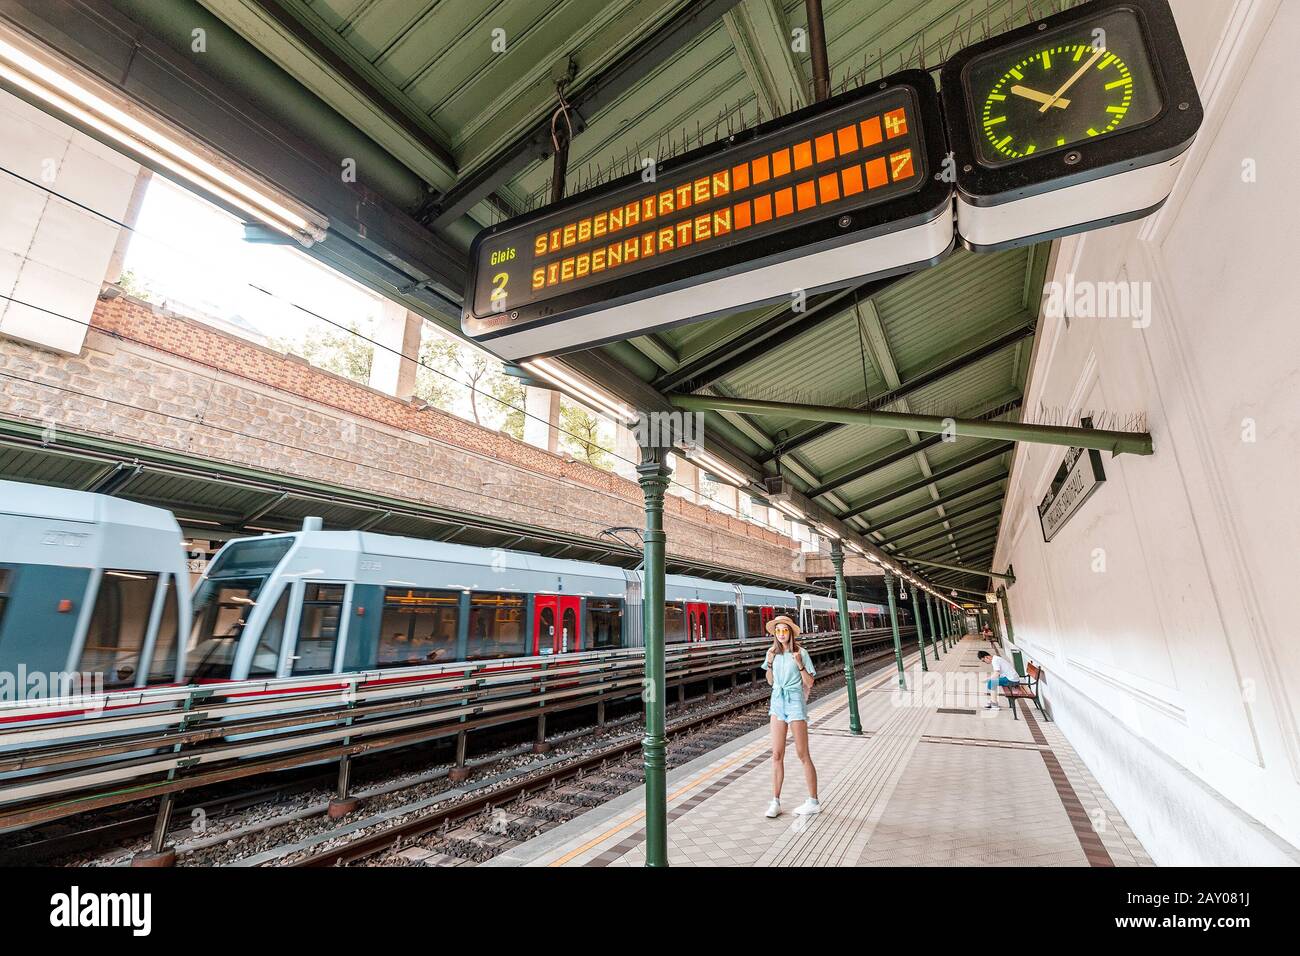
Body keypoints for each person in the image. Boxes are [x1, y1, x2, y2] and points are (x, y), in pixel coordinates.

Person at [761, 615, 820, 818]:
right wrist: (769, 664)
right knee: (776, 755)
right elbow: (770, 681)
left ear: (791, 632)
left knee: (803, 753)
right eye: (778, 631)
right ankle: (775, 801)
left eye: (784, 630)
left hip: (795, 701)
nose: (781, 634)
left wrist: (800, 664)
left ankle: (813, 801)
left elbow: (810, 682)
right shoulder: (772, 653)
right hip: (777, 701)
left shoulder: (801, 653)